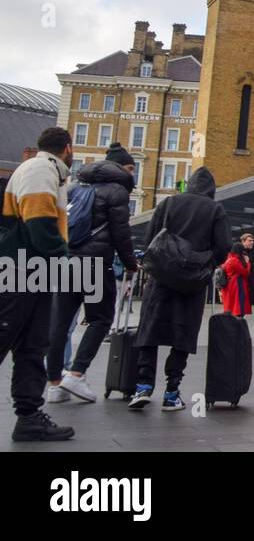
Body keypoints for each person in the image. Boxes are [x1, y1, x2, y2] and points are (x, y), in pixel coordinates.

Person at [46, 143, 140, 405]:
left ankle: (54, 384)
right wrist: (131, 263)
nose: (132, 174)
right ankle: (76, 373)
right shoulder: (117, 191)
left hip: (67, 261)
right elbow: (121, 233)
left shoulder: (75, 186)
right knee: (100, 318)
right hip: (95, 264)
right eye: (131, 168)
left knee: (60, 322)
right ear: (120, 168)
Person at [130, 167, 231, 411]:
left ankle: (143, 386)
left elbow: (151, 237)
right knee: (183, 333)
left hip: (161, 278)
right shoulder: (215, 209)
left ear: (190, 184)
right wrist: (205, 262)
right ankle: (172, 391)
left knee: (149, 328)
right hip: (192, 282)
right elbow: (224, 246)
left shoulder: (169, 203)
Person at [0, 127, 76, 441]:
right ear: (67, 149)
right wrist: (63, 259)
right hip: (22, 270)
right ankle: (29, 416)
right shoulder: (40, 170)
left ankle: (29, 417)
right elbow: (41, 226)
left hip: (34, 271)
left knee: (33, 346)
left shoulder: (49, 172)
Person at [220, 233, 254, 318]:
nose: (252, 242)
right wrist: (247, 264)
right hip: (237, 285)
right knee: (238, 307)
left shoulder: (230, 259)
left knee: (233, 307)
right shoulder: (235, 260)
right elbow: (245, 272)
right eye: (250, 241)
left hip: (234, 284)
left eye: (253, 241)